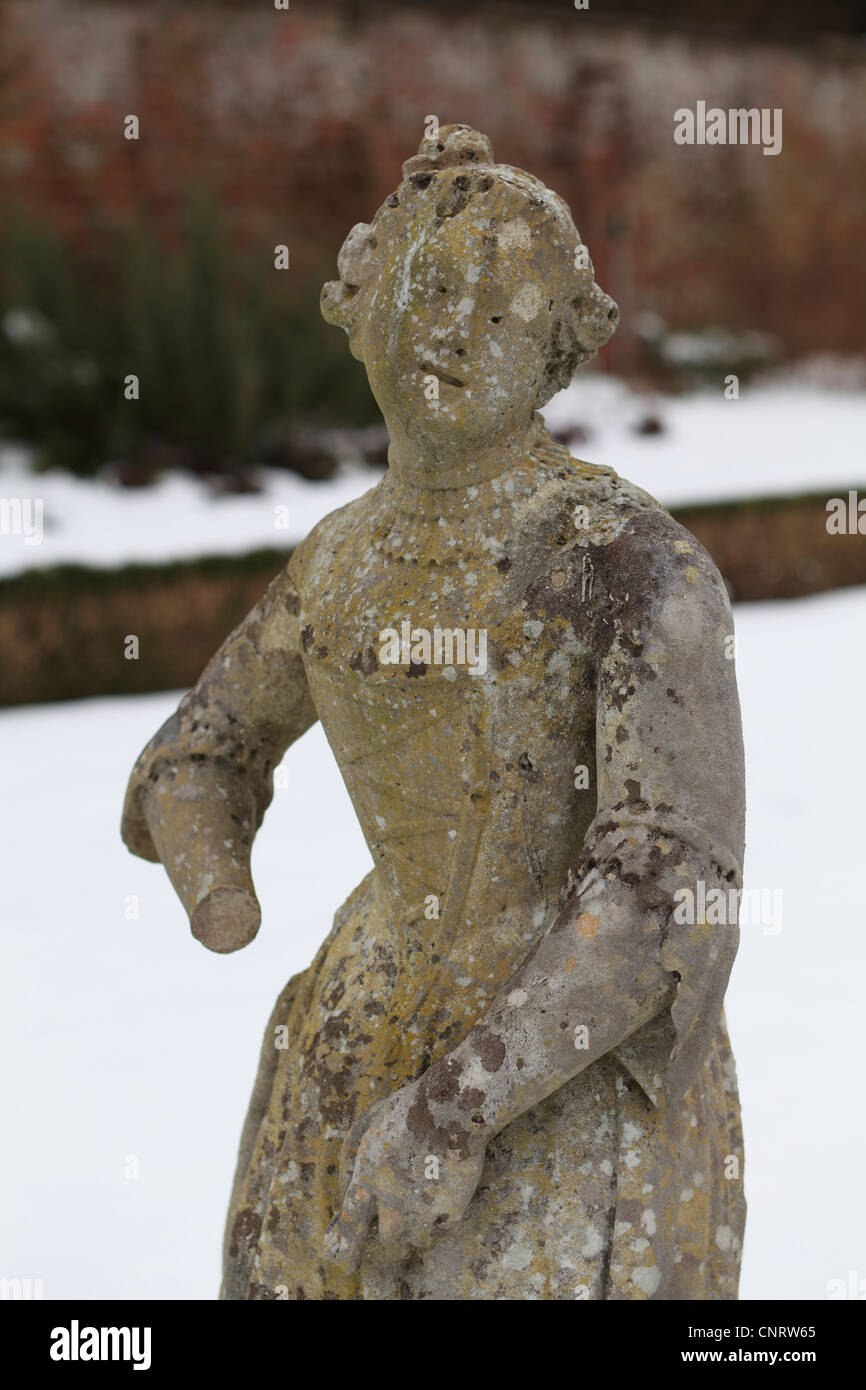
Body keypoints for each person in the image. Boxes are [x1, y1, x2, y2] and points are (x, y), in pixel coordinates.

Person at [122, 125, 746, 1300]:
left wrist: (463, 1102)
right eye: (435, 289)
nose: (455, 333)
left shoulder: (627, 564)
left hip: (563, 1081)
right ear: (366, 303)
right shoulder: (341, 559)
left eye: (504, 313)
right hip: (355, 1038)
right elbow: (200, 750)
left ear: (557, 351)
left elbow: (669, 883)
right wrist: (221, 893)